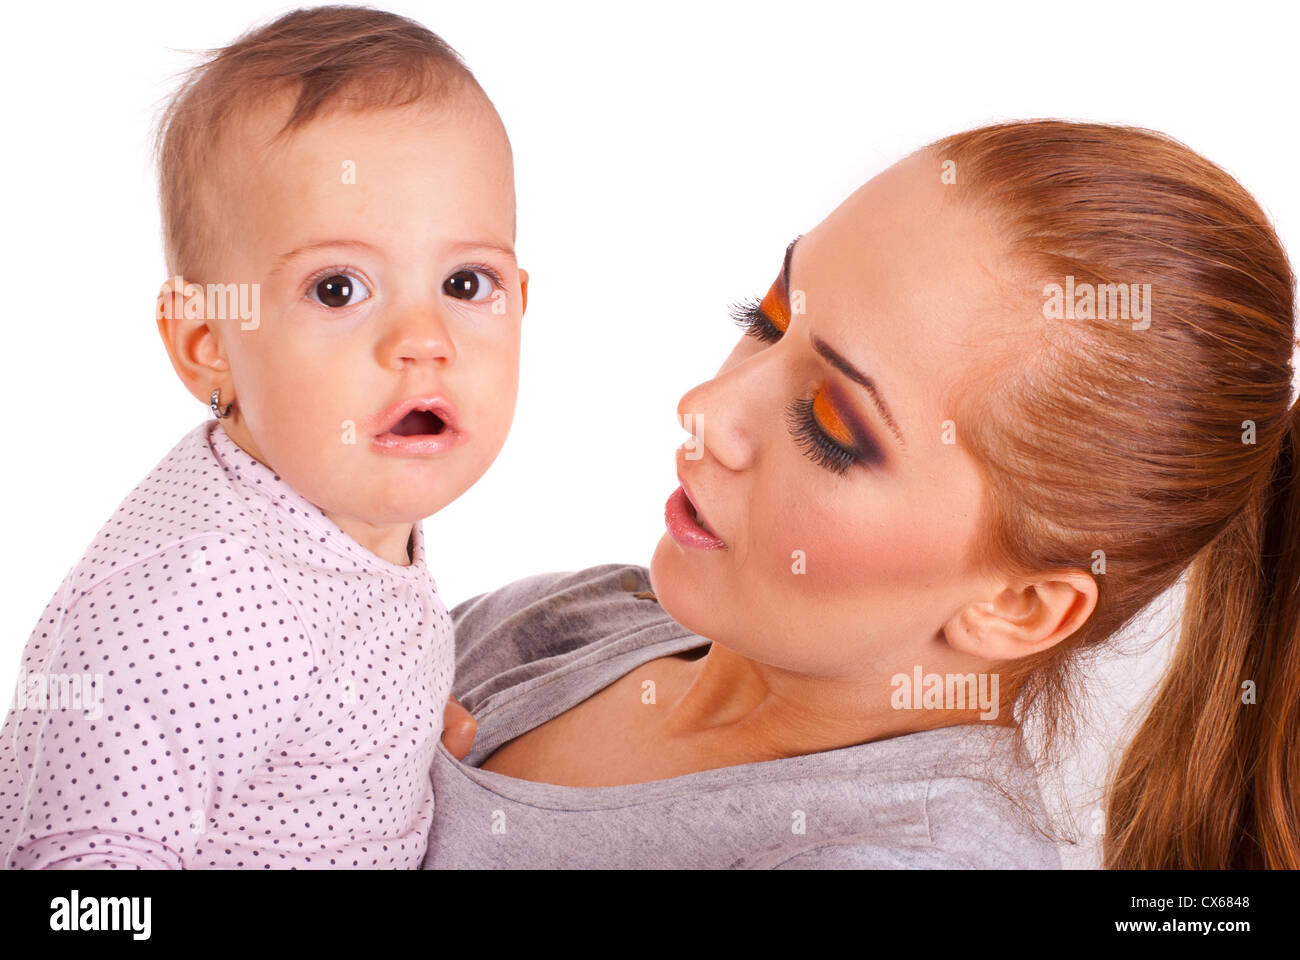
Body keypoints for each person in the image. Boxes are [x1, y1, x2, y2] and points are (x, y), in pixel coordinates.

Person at [428, 120, 1299, 869]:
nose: (704, 411)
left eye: (830, 425)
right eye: (766, 320)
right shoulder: (561, 622)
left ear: (1022, 605)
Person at [1, 6, 529, 869]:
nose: (422, 339)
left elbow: (297, 689)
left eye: (466, 282)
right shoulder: (199, 596)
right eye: (336, 289)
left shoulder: (329, 512)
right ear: (209, 346)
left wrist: (400, 743)